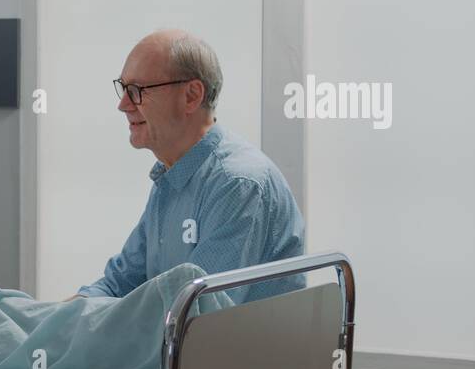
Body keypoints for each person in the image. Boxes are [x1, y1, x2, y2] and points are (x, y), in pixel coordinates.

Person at [76, 30, 305, 304]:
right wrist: (56, 322)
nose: (123, 105)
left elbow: (194, 314)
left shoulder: (238, 184)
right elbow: (118, 285)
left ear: (191, 95)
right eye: (123, 89)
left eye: (136, 91)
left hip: (222, 345)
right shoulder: (171, 178)